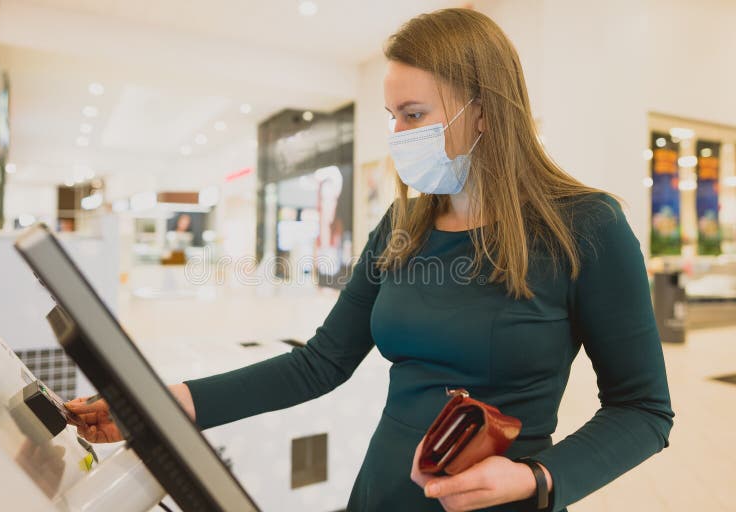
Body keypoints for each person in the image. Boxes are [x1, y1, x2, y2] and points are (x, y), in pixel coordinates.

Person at [67, 8, 673, 511]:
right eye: (392, 117)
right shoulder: (403, 228)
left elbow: (642, 409)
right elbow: (320, 363)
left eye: (414, 115)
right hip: (380, 492)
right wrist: (167, 402)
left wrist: (539, 478)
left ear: (484, 112)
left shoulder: (584, 227)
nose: (399, 134)